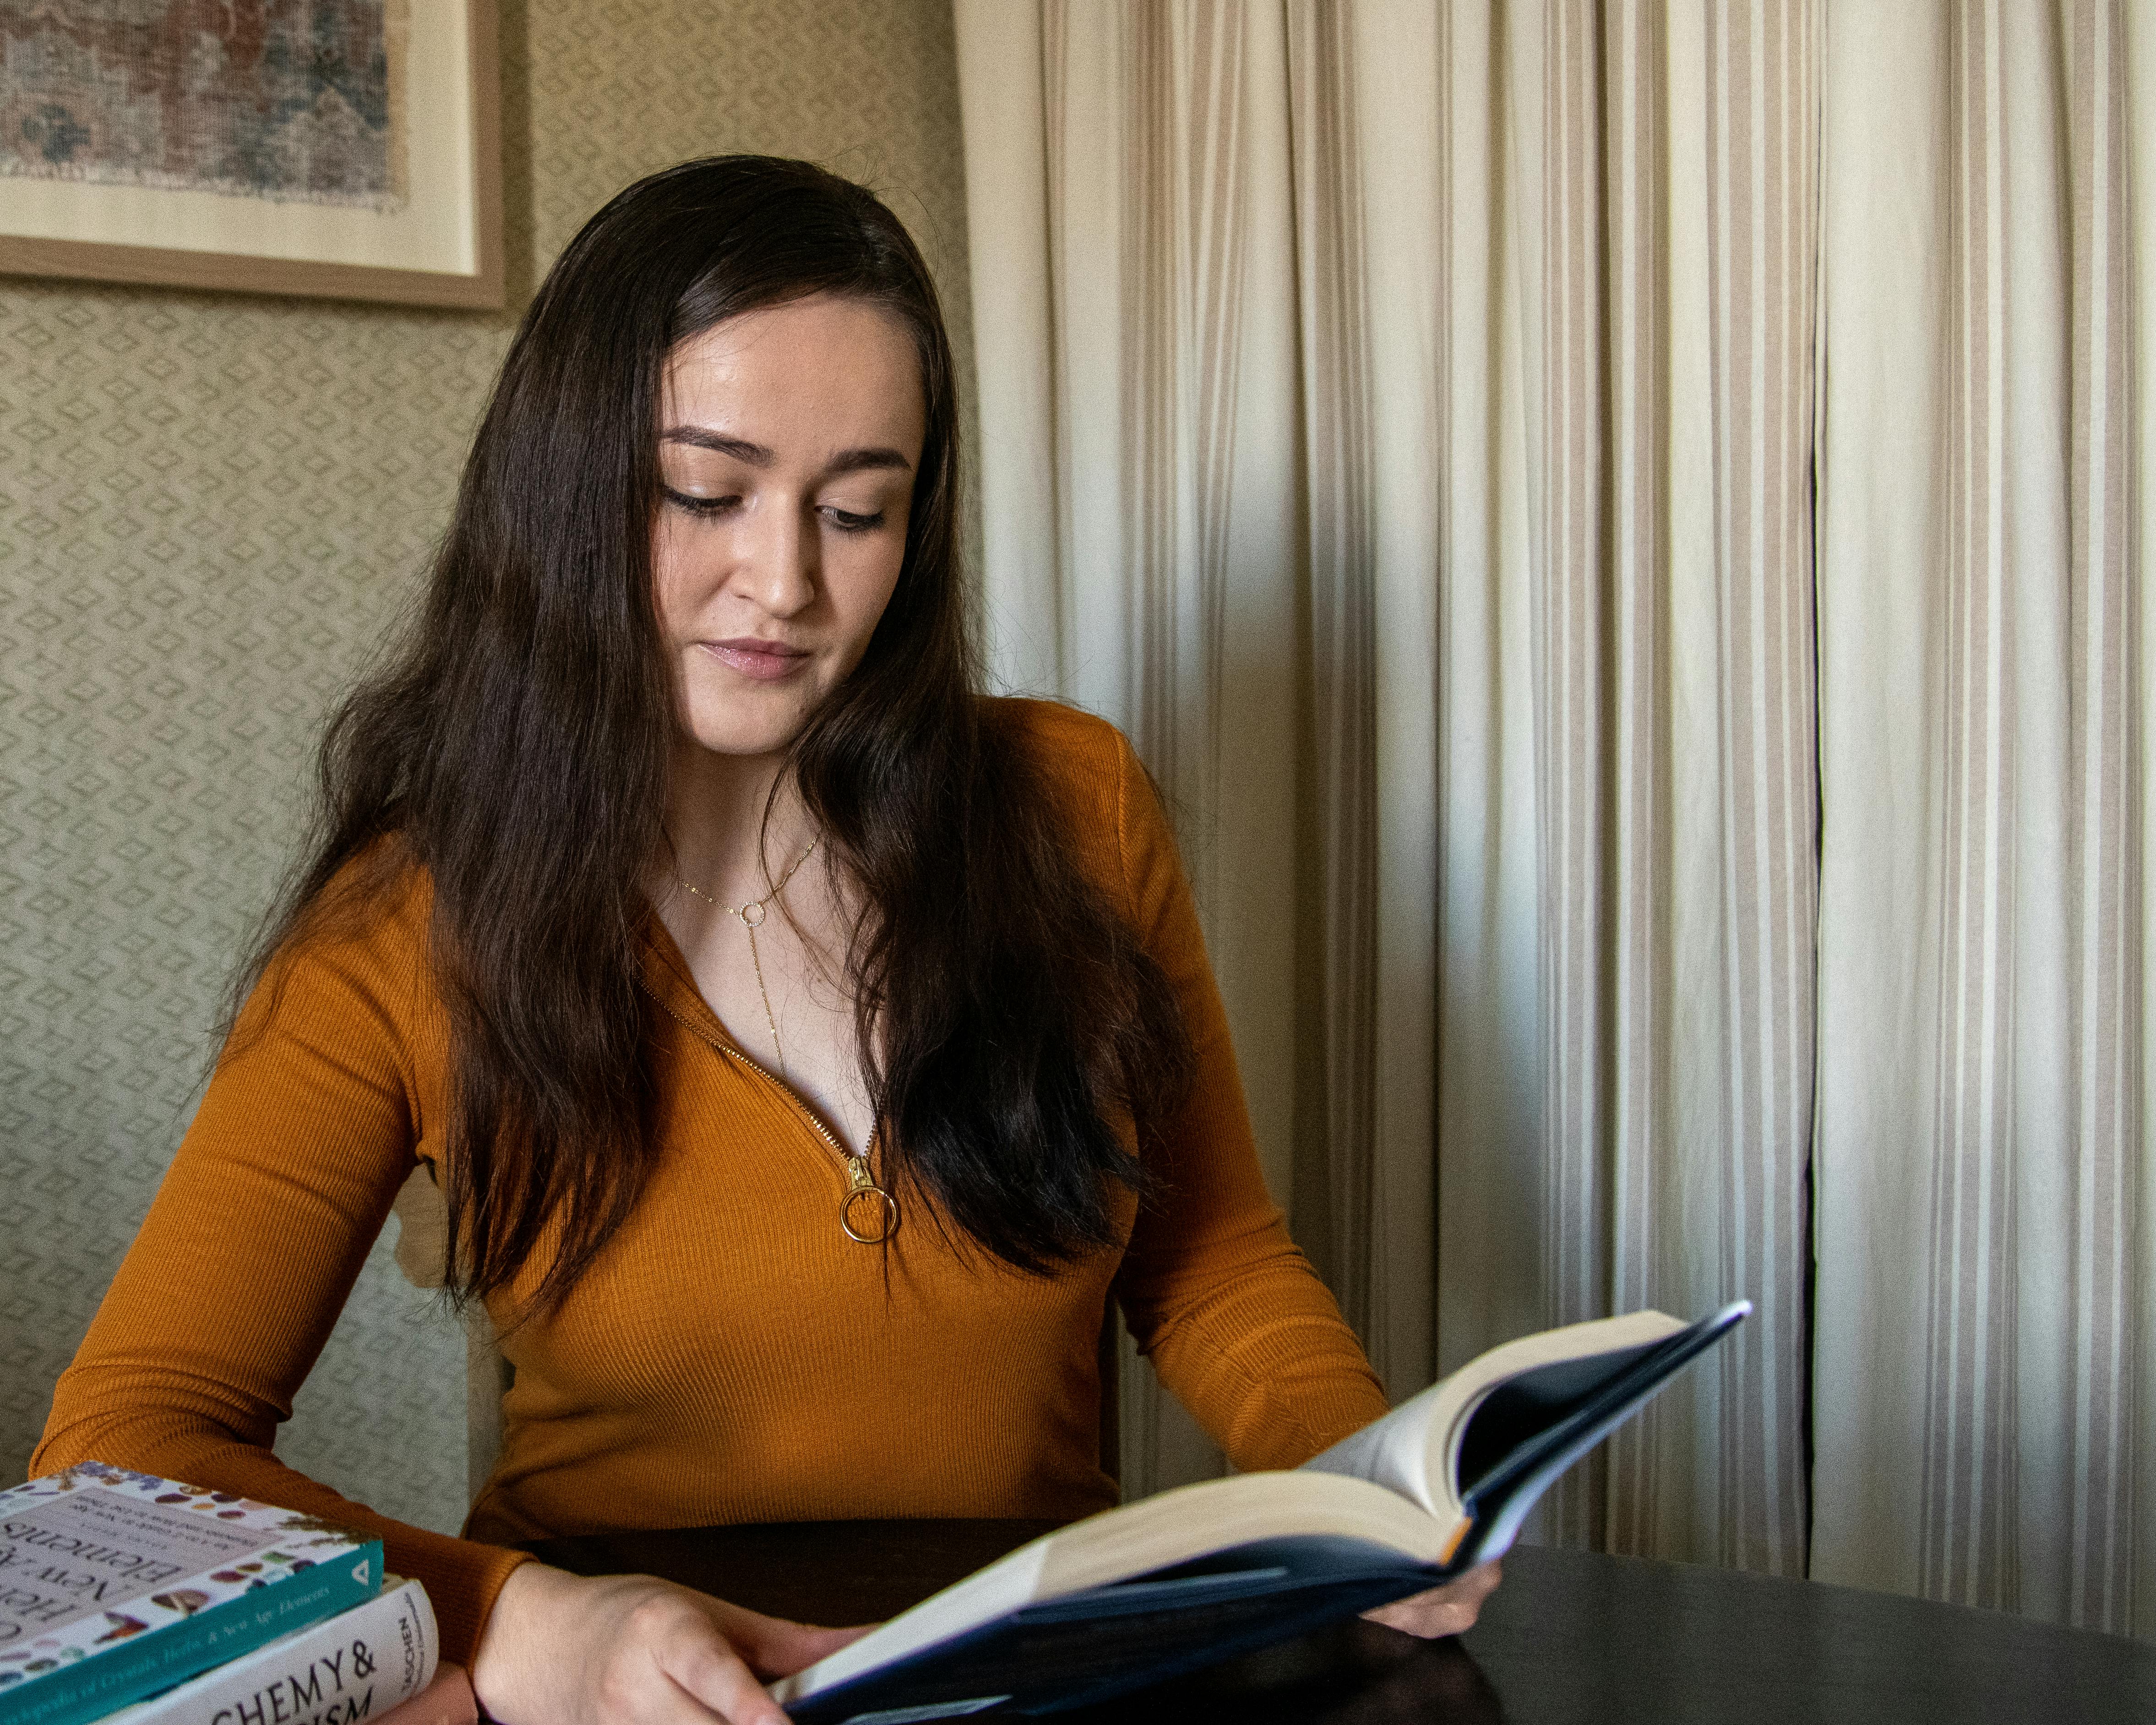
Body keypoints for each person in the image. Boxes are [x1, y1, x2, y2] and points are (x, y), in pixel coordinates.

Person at [33, 157, 1498, 1725]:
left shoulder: (1073, 804)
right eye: (704, 492)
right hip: (633, 1697)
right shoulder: (403, 923)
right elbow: (127, 1442)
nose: (786, 583)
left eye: (856, 509)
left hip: (1036, 1681)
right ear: (569, 489)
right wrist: (523, 1621)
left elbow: (1209, 1264)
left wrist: (1356, 1483)